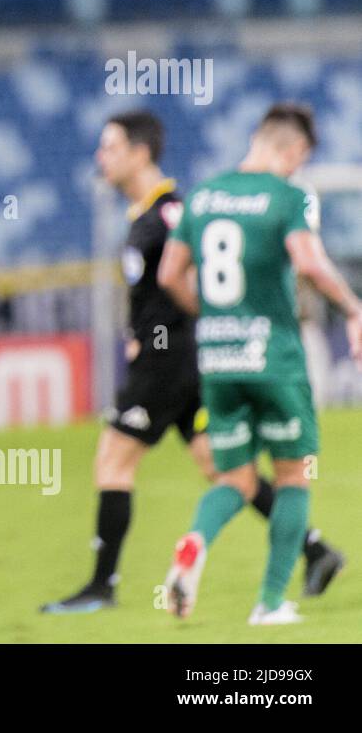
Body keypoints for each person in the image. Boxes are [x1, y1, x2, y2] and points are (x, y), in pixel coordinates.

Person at [41, 112, 343, 614]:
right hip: (187, 360)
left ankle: (101, 586)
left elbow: (203, 275)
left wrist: (188, 328)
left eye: (110, 146)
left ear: (141, 153)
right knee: (222, 470)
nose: (101, 156)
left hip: (169, 363)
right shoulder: (148, 214)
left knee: (112, 462)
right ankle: (314, 550)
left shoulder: (175, 211)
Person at [159, 103, 362, 624]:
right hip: (274, 357)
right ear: (293, 150)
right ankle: (269, 603)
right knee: (293, 476)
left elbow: (168, 275)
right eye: (300, 159)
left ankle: (193, 543)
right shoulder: (289, 196)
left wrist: (214, 314)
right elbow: (311, 262)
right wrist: (354, 309)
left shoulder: (202, 195)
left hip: (219, 359)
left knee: (236, 480)